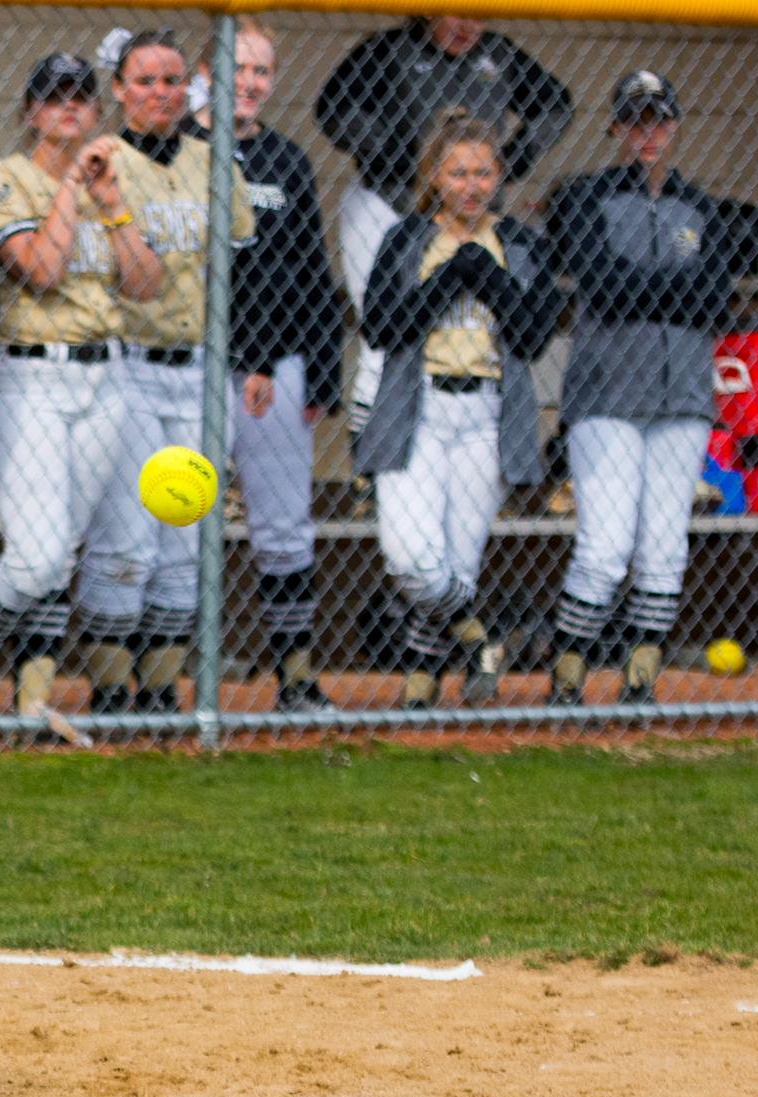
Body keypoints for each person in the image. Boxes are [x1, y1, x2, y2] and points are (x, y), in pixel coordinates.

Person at [0, 53, 158, 718]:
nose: (67, 110)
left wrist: (114, 205)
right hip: (28, 377)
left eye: (79, 98)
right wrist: (71, 184)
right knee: (37, 554)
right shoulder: (3, 178)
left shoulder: (114, 184)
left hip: (106, 375)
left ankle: (31, 698)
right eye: (52, 98)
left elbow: (146, 285)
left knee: (62, 549)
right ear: (29, 111)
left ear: (98, 112)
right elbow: (39, 268)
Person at [546, 72, 758, 706]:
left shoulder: (701, 208)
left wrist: (648, 289)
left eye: (659, 119)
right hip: (607, 396)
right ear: (615, 127)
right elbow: (603, 286)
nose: (648, 133)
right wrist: (674, 292)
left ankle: (640, 677)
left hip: (683, 399)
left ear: (674, 125)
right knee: (606, 546)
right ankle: (567, 671)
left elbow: (714, 297)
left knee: (664, 546)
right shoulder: (585, 198)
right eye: (635, 120)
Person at [68, 29, 253, 714]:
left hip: (202, 368)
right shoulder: (101, 160)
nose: (160, 94)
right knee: (126, 534)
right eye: (144, 81)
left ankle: (163, 691)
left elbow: (241, 264)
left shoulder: (214, 160)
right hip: (128, 362)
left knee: (186, 535)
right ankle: (112, 688)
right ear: (118, 88)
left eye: (172, 80)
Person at [359, 116, 564, 709]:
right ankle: (479, 637)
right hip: (416, 408)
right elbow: (381, 327)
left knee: (456, 560)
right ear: (434, 176)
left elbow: (529, 338)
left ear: (499, 176)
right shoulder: (407, 238)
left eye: (482, 173)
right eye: (457, 173)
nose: (471, 186)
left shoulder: (522, 243)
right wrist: (451, 274)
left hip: (487, 414)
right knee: (410, 559)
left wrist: (489, 275)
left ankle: (421, 685)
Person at [317, 16, 570, 443]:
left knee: (466, 333)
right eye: (456, 13)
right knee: (381, 340)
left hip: (468, 215)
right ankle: (369, 450)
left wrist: (511, 161)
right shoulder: (393, 49)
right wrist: (392, 157)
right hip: (389, 202)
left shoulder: (498, 53)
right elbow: (334, 107)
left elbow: (556, 106)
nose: (468, 26)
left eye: (478, 13)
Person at [186, 21, 341, 710]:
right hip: (191, 367)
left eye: (260, 71)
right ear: (204, 71)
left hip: (274, 369)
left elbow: (310, 271)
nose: (248, 82)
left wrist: (323, 368)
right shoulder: (177, 150)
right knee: (180, 522)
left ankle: (296, 675)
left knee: (282, 525)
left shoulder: (286, 159)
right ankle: (166, 677)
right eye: (236, 67)